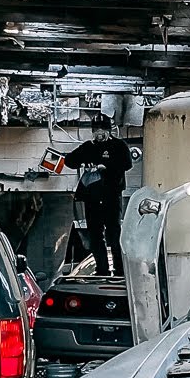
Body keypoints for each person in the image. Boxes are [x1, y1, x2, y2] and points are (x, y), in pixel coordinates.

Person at [63, 114, 133, 275]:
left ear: (108, 130)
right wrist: (83, 163)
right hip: (92, 198)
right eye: (96, 130)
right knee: (95, 234)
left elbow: (127, 164)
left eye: (102, 130)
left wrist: (105, 166)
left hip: (111, 196)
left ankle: (120, 269)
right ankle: (102, 268)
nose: (99, 134)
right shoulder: (88, 147)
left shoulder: (118, 146)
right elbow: (70, 161)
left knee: (114, 233)